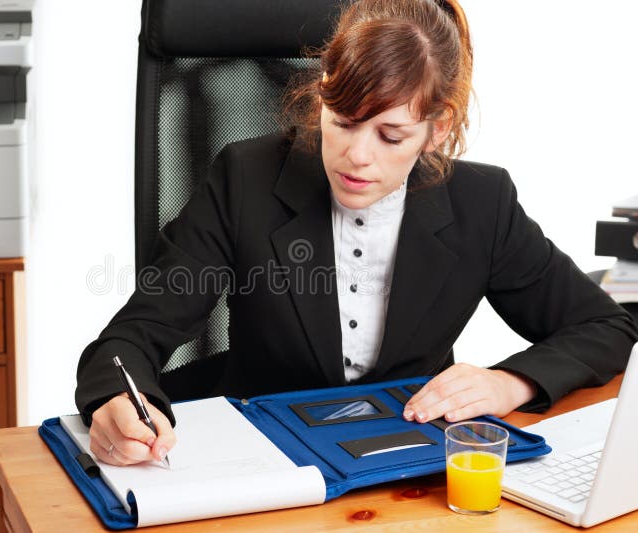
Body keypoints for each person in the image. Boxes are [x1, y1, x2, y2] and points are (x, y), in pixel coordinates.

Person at [75, 0, 638, 466]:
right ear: (321, 93)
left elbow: (605, 326)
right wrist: (118, 402)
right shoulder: (244, 179)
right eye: (342, 121)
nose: (356, 156)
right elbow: (130, 340)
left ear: (436, 130)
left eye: (391, 135)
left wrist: (511, 382)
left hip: (410, 462)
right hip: (268, 458)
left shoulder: (480, 203)